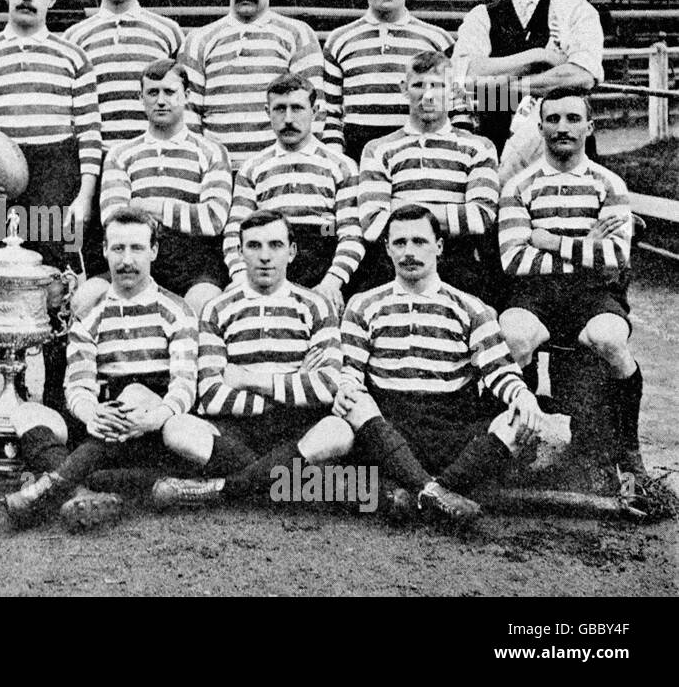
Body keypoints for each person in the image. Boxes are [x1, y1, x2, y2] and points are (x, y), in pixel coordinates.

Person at [335, 205, 544, 523]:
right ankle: (435, 493)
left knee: (518, 420)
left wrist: (522, 395)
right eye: (400, 243)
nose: (409, 252)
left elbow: (499, 370)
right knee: (353, 402)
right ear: (387, 248)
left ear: (439, 246)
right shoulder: (363, 305)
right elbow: (350, 368)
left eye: (419, 241)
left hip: (450, 430)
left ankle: (426, 490)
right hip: (388, 427)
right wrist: (347, 387)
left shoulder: (470, 307)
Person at [0, 0, 102, 411]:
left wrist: (82, 196)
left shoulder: (73, 56)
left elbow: (89, 134)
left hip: (55, 170)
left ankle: (57, 395)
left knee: (55, 284)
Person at [3, 208, 198, 531]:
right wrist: (91, 412)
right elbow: (78, 384)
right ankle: (82, 491)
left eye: (136, 248)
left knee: (135, 394)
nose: (127, 260)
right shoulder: (89, 317)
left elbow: (184, 385)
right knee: (27, 414)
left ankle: (50, 488)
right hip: (100, 427)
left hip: (151, 429)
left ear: (154, 251)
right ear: (105, 250)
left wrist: (156, 415)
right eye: (118, 248)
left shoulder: (177, 311)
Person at [151, 210, 353, 508]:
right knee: (176, 428)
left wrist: (246, 379)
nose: (265, 256)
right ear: (240, 252)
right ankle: (286, 479)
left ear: (292, 251)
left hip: (296, 427)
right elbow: (210, 395)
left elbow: (327, 386)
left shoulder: (316, 305)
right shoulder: (216, 308)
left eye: (275, 245)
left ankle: (225, 488)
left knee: (339, 432)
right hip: (238, 430)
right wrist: (294, 381)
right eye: (254, 246)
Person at [497, 88, 643, 476]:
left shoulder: (610, 184)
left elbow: (615, 257)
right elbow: (514, 261)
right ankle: (517, 442)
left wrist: (551, 242)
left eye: (573, 119)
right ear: (540, 126)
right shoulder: (518, 186)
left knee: (610, 338)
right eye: (554, 119)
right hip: (535, 296)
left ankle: (628, 446)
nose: (563, 128)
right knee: (512, 334)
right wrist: (585, 247)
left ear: (589, 126)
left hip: (595, 296)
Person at [64, 0, 184, 276]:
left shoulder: (168, 32)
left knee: (154, 248)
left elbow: (178, 97)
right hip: (98, 160)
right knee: (102, 254)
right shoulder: (76, 37)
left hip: (152, 157)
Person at [453, 0, 604, 156]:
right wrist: (538, 57)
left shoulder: (575, 7)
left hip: (567, 153)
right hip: (497, 151)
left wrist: (500, 89)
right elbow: (467, 75)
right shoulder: (480, 16)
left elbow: (582, 75)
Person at [91, 58, 231, 318]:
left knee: (201, 304)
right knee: (86, 299)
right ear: (141, 97)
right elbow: (112, 218)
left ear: (187, 95)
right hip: (135, 255)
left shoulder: (211, 151)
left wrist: (146, 206)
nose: (161, 101)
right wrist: (183, 213)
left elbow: (213, 219)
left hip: (194, 263)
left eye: (170, 92)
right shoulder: (121, 154)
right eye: (153, 93)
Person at [357, 52, 500, 301]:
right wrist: (452, 213)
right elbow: (372, 224)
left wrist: (401, 208)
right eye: (418, 85)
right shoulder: (378, 148)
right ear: (404, 88)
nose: (428, 95)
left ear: (453, 89)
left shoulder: (479, 147)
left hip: (456, 262)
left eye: (438, 86)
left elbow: (480, 217)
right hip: (395, 262)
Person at [179, 0, 326, 170]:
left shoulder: (298, 35)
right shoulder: (199, 40)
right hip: (218, 173)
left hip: (278, 171)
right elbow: (188, 115)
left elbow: (313, 112)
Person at [225, 72, 362, 315]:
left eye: (297, 108)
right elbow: (235, 230)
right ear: (267, 112)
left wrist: (333, 281)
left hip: (323, 254)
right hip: (270, 260)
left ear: (315, 110)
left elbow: (351, 233)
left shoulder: (341, 165)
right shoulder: (253, 167)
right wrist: (239, 276)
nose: (288, 118)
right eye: (279, 109)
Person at [322, 0, 469, 162]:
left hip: (423, 156)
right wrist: (339, 164)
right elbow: (331, 116)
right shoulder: (339, 40)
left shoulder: (438, 40)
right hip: (358, 156)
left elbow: (458, 111)